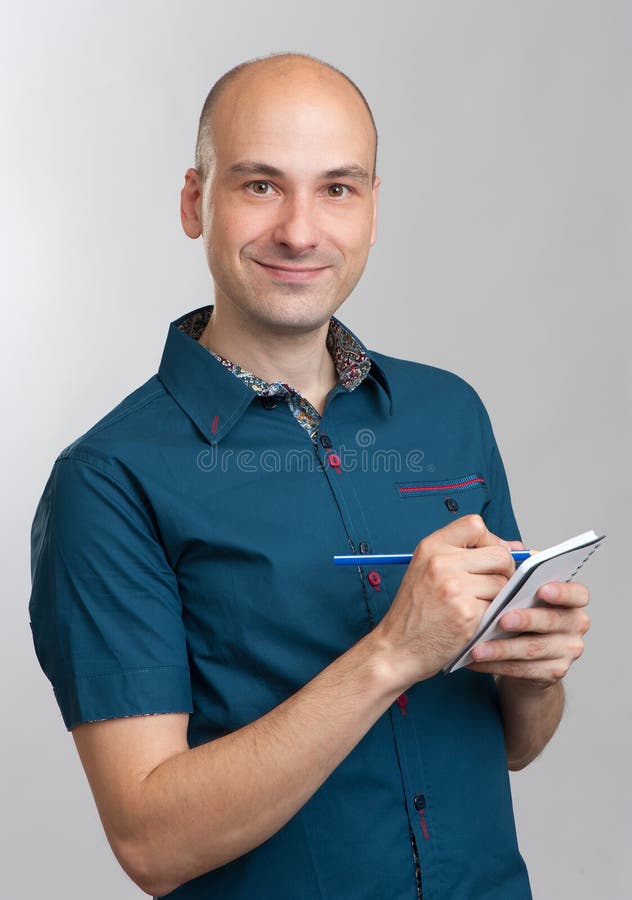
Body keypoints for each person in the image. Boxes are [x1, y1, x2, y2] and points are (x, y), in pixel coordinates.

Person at [29, 52, 590, 900]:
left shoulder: (450, 414)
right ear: (195, 202)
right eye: (260, 185)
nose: (300, 231)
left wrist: (534, 676)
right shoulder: (107, 482)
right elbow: (152, 843)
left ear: (371, 207)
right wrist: (392, 654)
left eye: (338, 188)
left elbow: (512, 743)